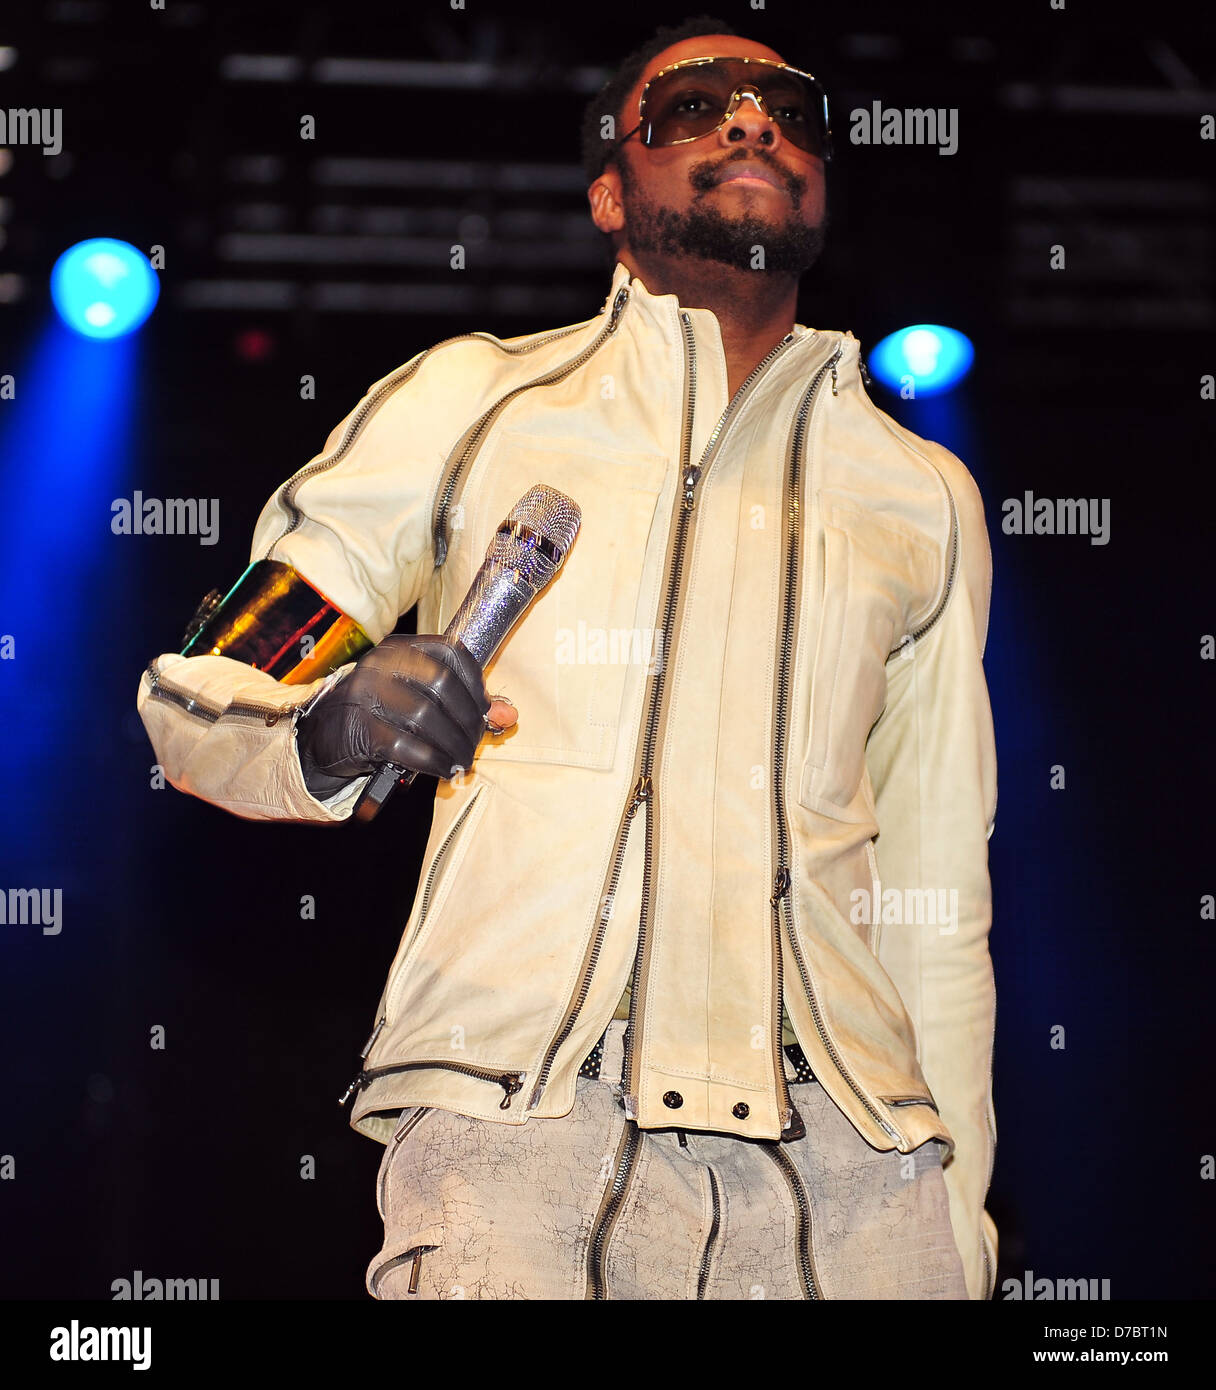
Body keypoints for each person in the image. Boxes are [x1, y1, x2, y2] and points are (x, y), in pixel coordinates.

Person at [137, 14, 999, 1300]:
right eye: (693, 103)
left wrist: (959, 1216)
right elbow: (205, 690)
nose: (750, 122)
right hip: (522, 1125)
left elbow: (938, 893)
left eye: (787, 106)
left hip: (856, 1164)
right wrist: (333, 725)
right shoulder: (466, 404)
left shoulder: (919, 493)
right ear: (610, 188)